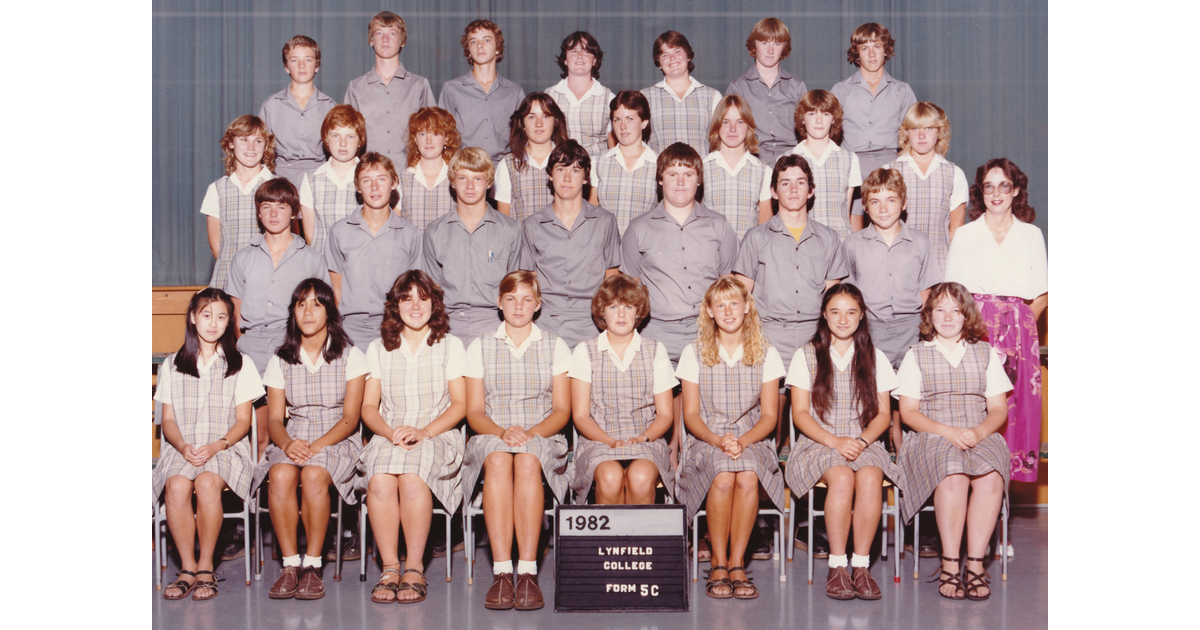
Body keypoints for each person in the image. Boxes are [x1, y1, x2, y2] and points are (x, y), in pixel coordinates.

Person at [894, 282, 1012, 601]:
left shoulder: (985, 353)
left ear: (966, 315)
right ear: (930, 315)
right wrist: (947, 432)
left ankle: (974, 565)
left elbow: (998, 409)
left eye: (955, 310)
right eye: (940, 309)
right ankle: (949, 564)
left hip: (979, 429)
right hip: (932, 433)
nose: (948, 317)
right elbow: (908, 412)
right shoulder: (916, 355)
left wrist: (979, 432)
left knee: (989, 475)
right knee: (954, 474)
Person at [462, 271, 573, 611]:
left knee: (526, 460)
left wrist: (529, 433)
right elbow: (475, 411)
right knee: (497, 460)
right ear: (499, 303)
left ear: (537, 305)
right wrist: (501, 433)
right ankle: (501, 572)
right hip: (491, 433)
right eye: (511, 299)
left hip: (541, 433)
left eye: (526, 299)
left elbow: (562, 410)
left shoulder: (555, 345)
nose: (518, 306)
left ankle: (527, 571)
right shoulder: (480, 345)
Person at [359, 271, 467, 604]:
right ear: (396, 306)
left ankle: (415, 567)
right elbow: (368, 408)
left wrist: (424, 432)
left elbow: (461, 404)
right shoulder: (379, 347)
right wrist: (391, 433)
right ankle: (390, 566)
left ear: (434, 304)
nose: (415, 306)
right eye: (407, 298)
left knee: (411, 477)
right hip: (390, 433)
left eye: (423, 298)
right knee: (379, 480)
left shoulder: (450, 344)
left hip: (436, 433)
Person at [675, 277, 786, 600]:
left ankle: (738, 564)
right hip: (707, 439)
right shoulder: (692, 352)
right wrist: (718, 440)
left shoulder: (768, 353)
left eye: (734, 303)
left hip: (753, 439)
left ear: (747, 307)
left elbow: (769, 416)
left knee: (748, 474)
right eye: (720, 305)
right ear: (708, 311)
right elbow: (691, 415)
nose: (728, 311)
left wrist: (742, 440)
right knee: (723, 473)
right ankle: (719, 563)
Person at [784, 284, 897, 600]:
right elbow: (801, 414)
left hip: (864, 440)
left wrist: (861, 440)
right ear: (824, 314)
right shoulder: (806, 355)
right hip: (819, 441)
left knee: (871, 477)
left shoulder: (876, 357)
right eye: (835, 311)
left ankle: (861, 566)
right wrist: (834, 441)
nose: (843, 319)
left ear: (861, 316)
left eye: (851, 312)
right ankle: (837, 565)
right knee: (844, 477)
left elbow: (884, 415)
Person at [257, 279, 367, 601]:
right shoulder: (281, 359)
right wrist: (288, 444)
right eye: (301, 304)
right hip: (294, 435)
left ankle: (313, 564)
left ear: (329, 310)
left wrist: (317, 446)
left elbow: (351, 418)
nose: (308, 312)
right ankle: (290, 564)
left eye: (316, 305)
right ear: (293, 312)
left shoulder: (350, 355)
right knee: (278, 474)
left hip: (336, 437)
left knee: (314, 473)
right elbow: (276, 419)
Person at [154, 289, 264, 601]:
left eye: (221, 317)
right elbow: (169, 421)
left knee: (205, 483)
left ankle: (205, 567)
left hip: (226, 447)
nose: (213, 323)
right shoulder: (172, 365)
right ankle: (187, 567)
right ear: (192, 318)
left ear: (229, 322)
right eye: (206, 315)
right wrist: (184, 446)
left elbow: (243, 421)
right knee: (175, 486)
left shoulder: (241, 363)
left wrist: (216, 446)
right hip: (183, 446)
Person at [945, 158, 1047, 483]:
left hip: (1020, 334)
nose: (996, 193)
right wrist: (979, 330)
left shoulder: (1031, 235)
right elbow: (953, 294)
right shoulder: (965, 235)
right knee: (978, 409)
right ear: (981, 193)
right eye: (989, 186)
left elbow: (1043, 294)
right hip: (975, 331)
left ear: (1015, 191)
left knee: (1016, 411)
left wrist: (1018, 327)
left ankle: (1000, 497)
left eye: (1004, 185)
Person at [228, 178, 330, 458]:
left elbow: (324, 311)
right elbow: (234, 314)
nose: (274, 214)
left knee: (298, 432)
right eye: (267, 206)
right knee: (259, 436)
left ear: (295, 212)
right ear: (258, 212)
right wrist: (246, 346)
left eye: (282, 206)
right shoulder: (243, 258)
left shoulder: (311, 258)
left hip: (294, 347)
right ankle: (255, 494)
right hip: (253, 351)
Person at [843, 167, 941, 451]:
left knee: (909, 398)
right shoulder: (853, 244)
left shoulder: (920, 243)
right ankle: (876, 452)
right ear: (865, 205)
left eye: (891, 200)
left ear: (904, 203)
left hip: (911, 331)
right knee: (875, 397)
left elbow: (926, 292)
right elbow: (850, 295)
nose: (883, 208)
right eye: (875, 201)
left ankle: (910, 455)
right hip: (871, 331)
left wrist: (916, 327)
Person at [621, 142, 738, 365]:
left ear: (699, 180)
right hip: (656, 331)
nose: (681, 182)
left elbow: (727, 283)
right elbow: (630, 287)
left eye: (688, 174)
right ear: (660, 179)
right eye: (672, 174)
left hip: (706, 330)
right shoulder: (639, 228)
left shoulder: (719, 225)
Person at [569, 274, 677, 504]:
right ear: (602, 312)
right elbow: (580, 416)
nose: (620, 314)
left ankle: (642, 540)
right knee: (609, 476)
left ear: (638, 312)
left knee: (640, 477)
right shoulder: (584, 350)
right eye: (613, 306)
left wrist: (642, 438)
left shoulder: (655, 350)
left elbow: (666, 415)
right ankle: (608, 541)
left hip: (645, 440)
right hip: (598, 441)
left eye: (628, 307)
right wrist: (609, 442)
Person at [734, 154, 848, 365]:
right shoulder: (756, 237)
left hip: (815, 336)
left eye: (801, 183)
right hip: (768, 336)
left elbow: (831, 298)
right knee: (772, 399)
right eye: (785, 183)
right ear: (774, 192)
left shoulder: (829, 238)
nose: (793, 189)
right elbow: (739, 295)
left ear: (811, 190)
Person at [518, 140, 621, 347]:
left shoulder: (605, 221)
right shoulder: (532, 225)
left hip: (591, 323)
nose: (566, 178)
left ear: (585, 177)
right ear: (550, 175)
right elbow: (528, 279)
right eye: (560, 169)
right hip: (545, 322)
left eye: (575, 170)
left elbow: (612, 277)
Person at [422, 147, 522, 344]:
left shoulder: (510, 229)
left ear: (489, 182)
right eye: (462, 178)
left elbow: (516, 287)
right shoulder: (434, 231)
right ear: (452, 182)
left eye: (477, 178)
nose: (469, 186)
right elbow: (430, 289)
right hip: (448, 325)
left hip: (495, 322)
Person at [325, 152, 423, 349]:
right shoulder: (339, 232)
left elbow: (415, 290)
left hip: (396, 327)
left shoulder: (410, 234)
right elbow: (336, 290)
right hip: (350, 331)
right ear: (358, 187)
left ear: (394, 183)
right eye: (367, 181)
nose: (375, 187)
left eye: (381, 179)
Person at [830, 22, 917, 226]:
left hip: (890, 164)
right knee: (852, 225)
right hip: (852, 165)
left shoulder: (902, 91)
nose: (871, 54)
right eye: (864, 48)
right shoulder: (841, 90)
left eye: (877, 46)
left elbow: (912, 136)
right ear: (856, 53)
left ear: (886, 50)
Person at [884, 102, 968, 274]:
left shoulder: (954, 174)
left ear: (940, 131)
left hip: (940, 267)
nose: (921, 135)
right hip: (897, 266)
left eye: (928, 128)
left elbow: (956, 234)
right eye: (915, 128)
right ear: (906, 132)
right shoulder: (889, 171)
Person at [344, 11, 435, 167]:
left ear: (402, 41)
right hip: (369, 174)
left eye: (392, 33)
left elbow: (433, 133)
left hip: (410, 173)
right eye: (379, 33)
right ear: (371, 40)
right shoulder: (356, 88)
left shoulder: (419, 85)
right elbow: (346, 136)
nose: (385, 39)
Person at [202, 115, 276, 290]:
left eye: (258, 141)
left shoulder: (276, 186)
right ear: (231, 143)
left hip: (267, 278)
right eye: (244, 139)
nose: (251, 147)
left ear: (265, 146)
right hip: (228, 279)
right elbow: (216, 246)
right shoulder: (217, 189)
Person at [439, 19, 526, 163]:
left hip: (503, 171)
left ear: (498, 48)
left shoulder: (514, 92)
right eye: (473, 41)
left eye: (486, 40)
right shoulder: (451, 89)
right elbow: (442, 136)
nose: (480, 45)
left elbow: (522, 139)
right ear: (468, 52)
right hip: (465, 169)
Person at [779, 89, 862, 240]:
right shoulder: (787, 158)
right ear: (802, 119)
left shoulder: (849, 159)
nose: (818, 120)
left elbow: (845, 212)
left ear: (833, 119)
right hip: (800, 245)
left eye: (825, 114)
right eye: (811, 114)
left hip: (838, 245)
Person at [725, 17, 807, 166]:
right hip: (752, 160)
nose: (770, 51)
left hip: (792, 161)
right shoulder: (738, 87)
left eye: (777, 44)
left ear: (784, 47)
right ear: (754, 46)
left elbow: (808, 130)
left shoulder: (796, 85)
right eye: (764, 43)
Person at [259, 35, 336, 186]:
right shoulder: (271, 105)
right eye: (294, 60)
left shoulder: (329, 106)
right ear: (286, 67)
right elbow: (260, 147)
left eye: (308, 59)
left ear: (317, 66)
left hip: (319, 176)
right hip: (280, 178)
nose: (301, 66)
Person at [298, 105, 367, 257]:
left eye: (350, 136)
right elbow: (310, 235)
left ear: (360, 140)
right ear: (326, 139)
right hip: (323, 262)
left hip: (360, 260)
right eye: (336, 136)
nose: (343, 143)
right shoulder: (311, 179)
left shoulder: (367, 177)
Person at [701, 94, 773, 240]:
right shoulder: (701, 169)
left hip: (747, 257)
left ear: (748, 126)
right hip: (710, 257)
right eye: (726, 122)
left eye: (740, 122)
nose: (732, 129)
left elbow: (764, 229)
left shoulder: (764, 172)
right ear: (717, 125)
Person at [587, 90, 657, 235]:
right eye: (617, 120)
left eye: (630, 119)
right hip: (606, 248)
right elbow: (592, 211)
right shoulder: (599, 161)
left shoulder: (658, 164)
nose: (623, 126)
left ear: (644, 122)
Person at [640, 31, 721, 157]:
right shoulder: (645, 97)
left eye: (677, 51)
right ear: (659, 63)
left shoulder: (713, 97)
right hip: (658, 175)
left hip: (700, 175)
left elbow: (721, 143)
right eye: (665, 54)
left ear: (688, 56)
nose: (672, 58)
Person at [494, 93, 569, 222]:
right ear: (522, 124)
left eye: (545, 116)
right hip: (522, 241)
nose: (539, 123)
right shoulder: (507, 164)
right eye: (531, 117)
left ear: (555, 122)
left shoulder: (568, 160)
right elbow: (504, 221)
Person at [546, 31, 615, 161]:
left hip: (596, 171)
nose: (579, 56)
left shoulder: (609, 98)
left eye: (586, 52)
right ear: (565, 60)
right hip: (561, 168)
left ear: (594, 60)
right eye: (573, 51)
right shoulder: (550, 96)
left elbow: (613, 144)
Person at [398, 107, 461, 230]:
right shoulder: (401, 180)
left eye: (436, 134)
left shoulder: (457, 178)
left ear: (446, 139)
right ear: (415, 139)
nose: (428, 141)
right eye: (422, 134)